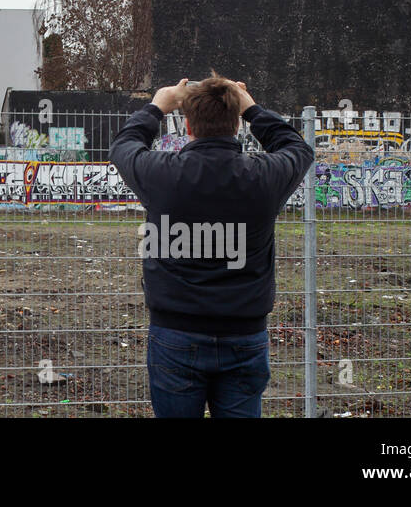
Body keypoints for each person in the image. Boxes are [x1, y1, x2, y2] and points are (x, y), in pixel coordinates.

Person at [110, 72, 314, 417]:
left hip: (175, 333)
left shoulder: (162, 174)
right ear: (236, 125)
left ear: (187, 125)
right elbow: (296, 147)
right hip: (244, 336)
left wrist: (159, 105)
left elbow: (124, 145)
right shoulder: (263, 177)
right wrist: (251, 108)